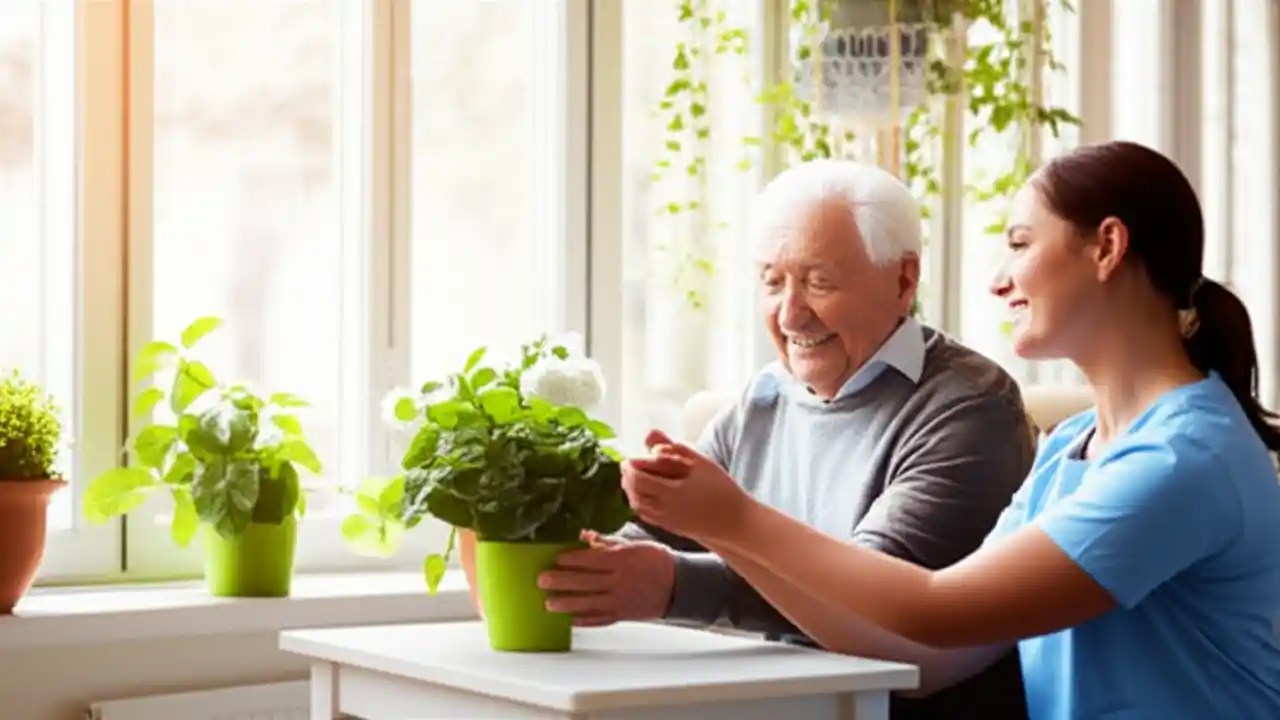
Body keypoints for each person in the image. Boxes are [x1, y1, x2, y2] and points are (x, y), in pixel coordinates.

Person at [618, 141, 1280, 720]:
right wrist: (716, 526)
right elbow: (929, 659)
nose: (998, 282)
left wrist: (735, 522)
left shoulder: (1181, 461)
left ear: (1106, 246)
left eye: (1020, 244)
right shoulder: (1071, 447)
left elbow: (939, 609)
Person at [488, 159, 1039, 718]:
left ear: (903, 281)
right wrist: (587, 545)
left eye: (819, 282)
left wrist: (676, 586)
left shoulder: (969, 409)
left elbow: (874, 604)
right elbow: (655, 531)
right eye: (773, 283)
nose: (791, 315)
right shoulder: (765, 396)